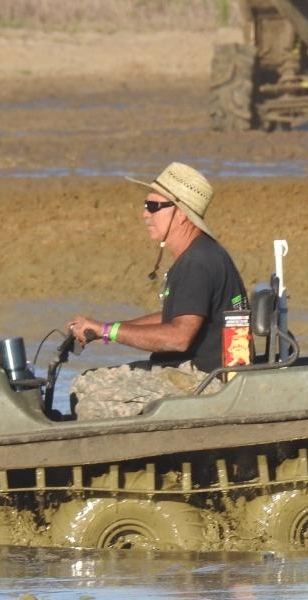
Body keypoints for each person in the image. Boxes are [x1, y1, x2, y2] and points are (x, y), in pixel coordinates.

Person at [65, 162, 248, 420]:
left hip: (203, 381)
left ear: (181, 213)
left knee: (92, 406)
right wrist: (103, 330)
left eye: (153, 207)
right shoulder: (199, 255)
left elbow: (178, 337)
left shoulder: (198, 262)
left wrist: (109, 332)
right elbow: (173, 317)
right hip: (190, 372)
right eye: (145, 205)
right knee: (83, 383)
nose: (145, 214)